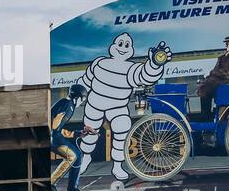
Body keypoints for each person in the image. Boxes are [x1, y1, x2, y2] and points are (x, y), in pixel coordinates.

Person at [74, 33, 172, 182]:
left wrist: (154, 64)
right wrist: (75, 99)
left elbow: (145, 75)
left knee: (122, 129)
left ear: (130, 49)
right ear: (113, 46)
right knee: (89, 130)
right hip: (95, 103)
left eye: (127, 45)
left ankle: (118, 165)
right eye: (120, 43)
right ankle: (85, 157)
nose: (122, 47)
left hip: (118, 106)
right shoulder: (99, 62)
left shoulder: (131, 69)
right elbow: (86, 81)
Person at [197, 34, 229, 119]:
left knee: (205, 88)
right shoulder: (228, 55)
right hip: (228, 82)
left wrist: (213, 74)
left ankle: (205, 116)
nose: (226, 45)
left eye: (228, 43)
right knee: (205, 85)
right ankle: (206, 115)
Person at [50, 83, 88, 191]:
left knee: (78, 155)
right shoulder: (66, 104)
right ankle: (50, 183)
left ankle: (72, 188)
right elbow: (53, 127)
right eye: (83, 99)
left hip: (56, 136)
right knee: (72, 156)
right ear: (78, 97)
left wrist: (78, 133)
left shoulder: (68, 104)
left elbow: (58, 128)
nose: (82, 102)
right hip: (53, 138)